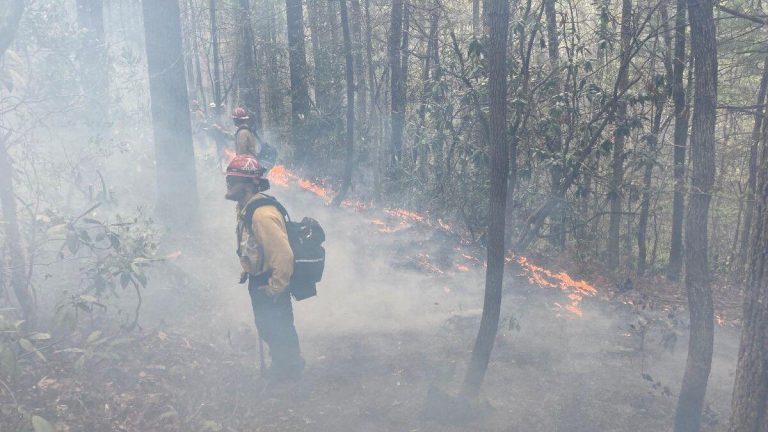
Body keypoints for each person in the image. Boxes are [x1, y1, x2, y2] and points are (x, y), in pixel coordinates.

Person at [225, 154, 304, 381]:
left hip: (270, 281)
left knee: (279, 328)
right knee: (268, 327)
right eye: (229, 179)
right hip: (259, 279)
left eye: (233, 180)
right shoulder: (245, 207)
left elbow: (283, 256)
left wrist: (274, 288)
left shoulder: (262, 215)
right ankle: (282, 366)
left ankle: (290, 373)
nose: (228, 184)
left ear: (249, 184)